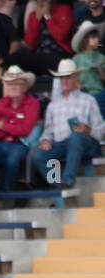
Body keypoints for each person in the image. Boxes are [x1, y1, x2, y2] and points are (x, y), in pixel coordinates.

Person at [31, 57, 105, 193]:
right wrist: (46, 140)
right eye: (62, 77)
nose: (64, 80)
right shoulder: (53, 106)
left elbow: (101, 131)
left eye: (68, 77)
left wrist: (88, 129)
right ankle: (58, 185)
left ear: (76, 77)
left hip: (84, 144)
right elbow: (48, 131)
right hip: (62, 145)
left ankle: (67, 180)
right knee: (38, 155)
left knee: (76, 136)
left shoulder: (88, 100)